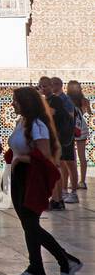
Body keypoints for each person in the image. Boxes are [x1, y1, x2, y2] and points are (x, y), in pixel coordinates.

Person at [6, 85, 82, 275]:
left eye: (15, 100)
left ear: (26, 102)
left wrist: (21, 159)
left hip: (32, 178)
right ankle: (36, 268)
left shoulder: (37, 124)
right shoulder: (22, 121)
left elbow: (45, 156)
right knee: (27, 225)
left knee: (31, 224)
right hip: (20, 177)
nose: (12, 103)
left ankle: (66, 260)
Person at [38, 76, 76, 207]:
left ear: (51, 86)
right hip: (51, 137)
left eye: (46, 85)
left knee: (55, 168)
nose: (43, 88)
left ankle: (57, 199)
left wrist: (38, 102)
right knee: (55, 167)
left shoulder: (55, 100)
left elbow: (50, 114)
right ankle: (57, 199)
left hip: (56, 138)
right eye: (41, 86)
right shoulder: (47, 100)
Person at [51, 76, 80, 204]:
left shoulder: (65, 99)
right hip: (58, 136)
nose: (53, 87)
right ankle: (63, 190)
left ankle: (74, 192)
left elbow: (70, 117)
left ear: (60, 85)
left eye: (55, 84)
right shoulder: (53, 99)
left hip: (66, 136)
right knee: (61, 163)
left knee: (70, 163)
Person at [67, 80, 91, 191]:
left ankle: (75, 181)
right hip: (80, 128)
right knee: (80, 157)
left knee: (72, 156)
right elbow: (87, 112)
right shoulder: (83, 100)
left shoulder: (66, 100)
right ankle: (81, 181)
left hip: (72, 128)